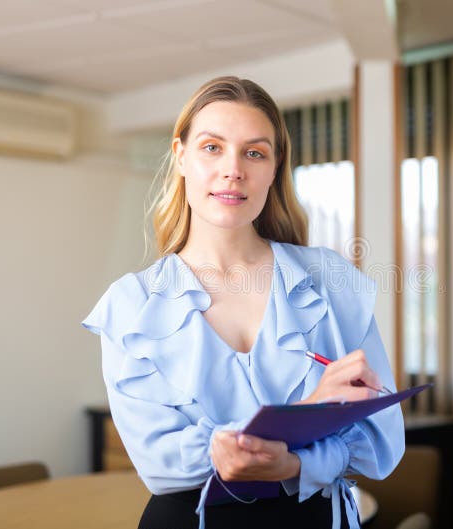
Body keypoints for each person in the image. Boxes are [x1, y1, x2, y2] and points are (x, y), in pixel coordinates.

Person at [82, 76, 404, 529]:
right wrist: (310, 422)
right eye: (212, 147)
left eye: (254, 152)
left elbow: (378, 443)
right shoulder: (131, 306)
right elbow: (160, 464)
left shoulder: (329, 282)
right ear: (181, 156)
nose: (233, 169)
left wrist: (289, 464)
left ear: (274, 169)